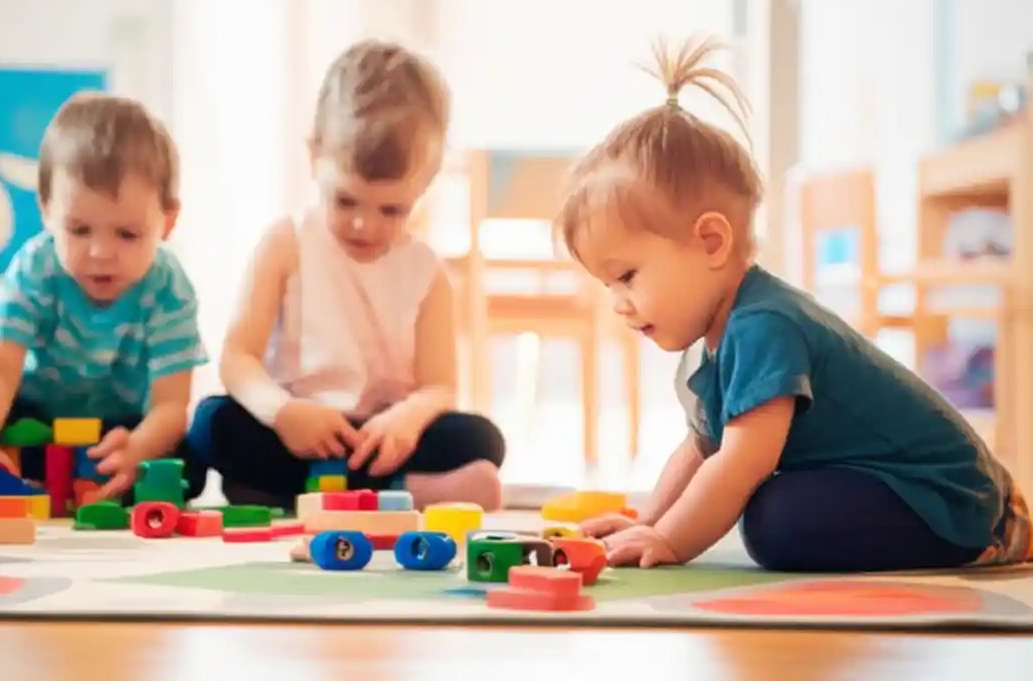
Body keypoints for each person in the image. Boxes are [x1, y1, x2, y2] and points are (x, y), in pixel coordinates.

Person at [560, 36, 1030, 572]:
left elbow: (739, 463)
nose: (619, 304)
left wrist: (670, 542)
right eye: (609, 286)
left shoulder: (764, 324)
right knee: (768, 510)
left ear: (711, 242)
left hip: (945, 497)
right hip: (890, 484)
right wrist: (650, 521)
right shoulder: (718, 338)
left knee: (775, 521)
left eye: (627, 276)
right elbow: (700, 448)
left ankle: (993, 537)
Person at [188, 39, 505, 510]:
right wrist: (284, 412)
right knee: (212, 423)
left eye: (392, 209)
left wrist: (405, 420)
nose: (366, 224)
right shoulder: (285, 244)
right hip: (296, 429)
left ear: (428, 182)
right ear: (314, 155)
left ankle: (306, 491)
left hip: (377, 438)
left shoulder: (426, 273)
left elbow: (438, 385)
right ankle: (397, 495)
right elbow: (238, 358)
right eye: (346, 200)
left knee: (481, 438)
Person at [0, 92, 208, 502]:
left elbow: (171, 405)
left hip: (116, 431)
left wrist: (138, 449)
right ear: (47, 211)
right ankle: (9, 480)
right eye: (80, 230)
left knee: (189, 454)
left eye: (127, 234)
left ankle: (107, 482)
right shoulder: (35, 269)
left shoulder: (168, 287)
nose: (101, 252)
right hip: (31, 420)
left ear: (167, 222)